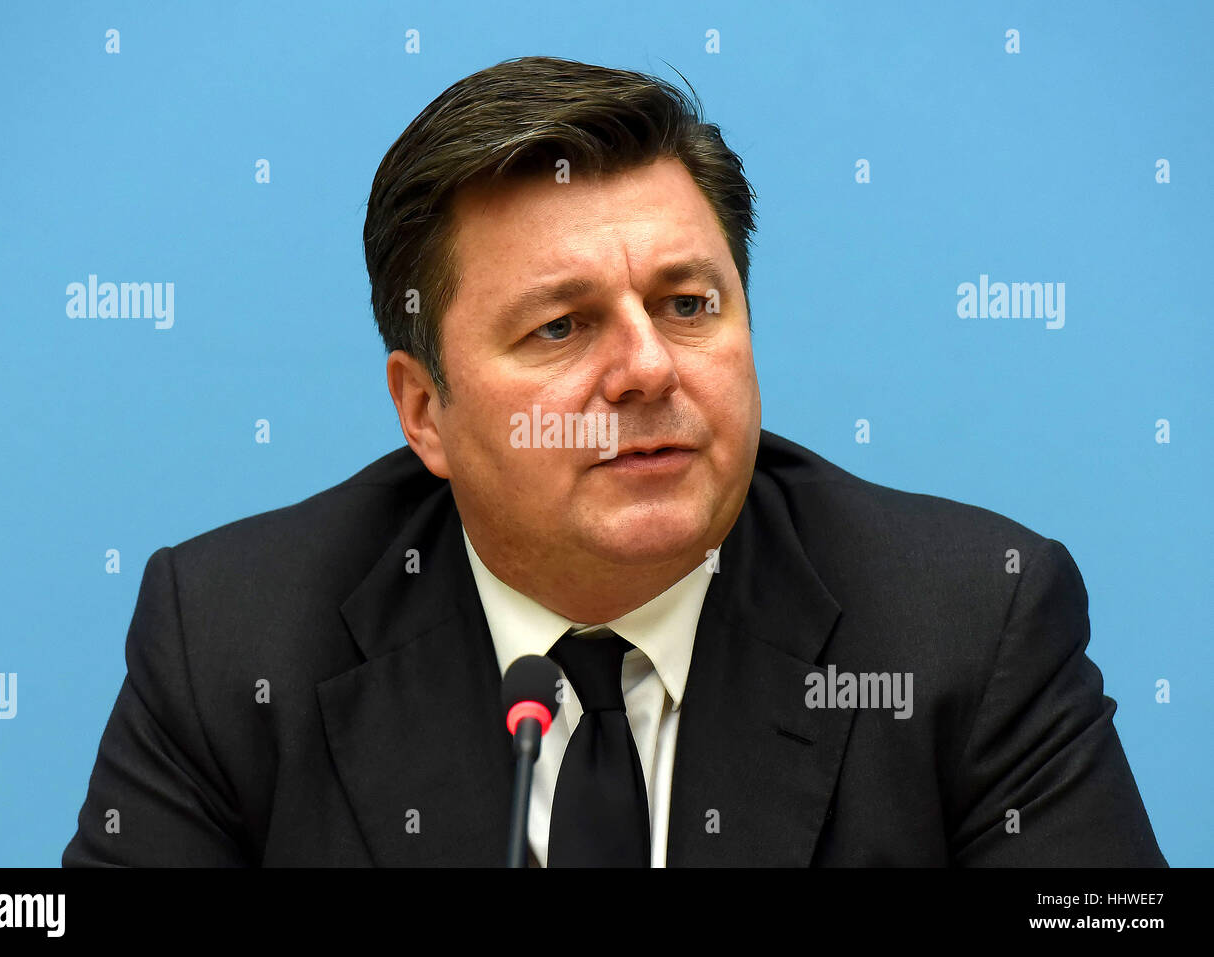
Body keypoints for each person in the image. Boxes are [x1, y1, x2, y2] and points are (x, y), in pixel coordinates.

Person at [62, 56, 1165, 867]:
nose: (645, 369)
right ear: (425, 411)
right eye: (560, 327)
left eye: (688, 305)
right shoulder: (232, 642)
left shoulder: (969, 626)